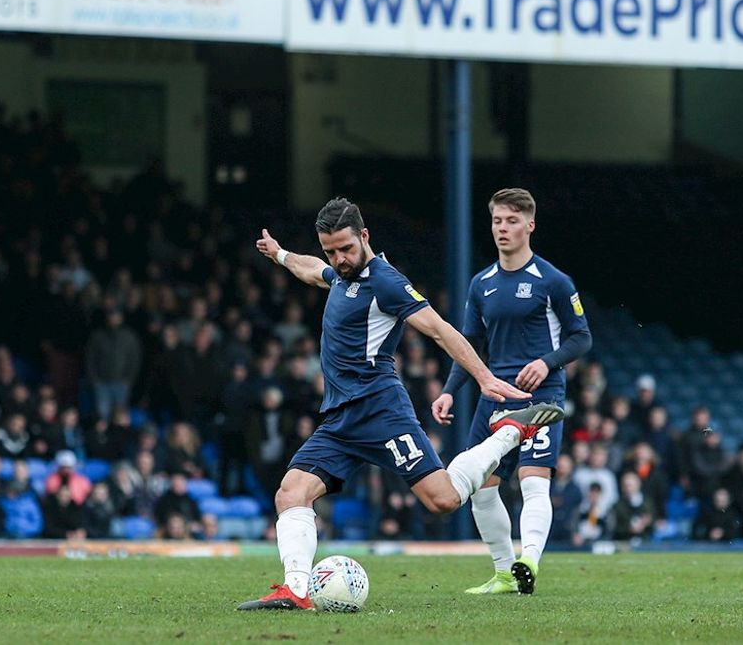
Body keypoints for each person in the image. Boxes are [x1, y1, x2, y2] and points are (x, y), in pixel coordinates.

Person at [239, 198, 560, 611]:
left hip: (380, 411)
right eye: (330, 251)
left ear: (364, 237)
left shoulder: (386, 282)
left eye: (346, 249)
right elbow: (309, 269)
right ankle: (296, 590)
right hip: (339, 418)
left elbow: (440, 330)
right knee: (291, 492)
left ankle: (510, 432)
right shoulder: (340, 275)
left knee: (442, 500)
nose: (338, 259)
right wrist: (281, 254)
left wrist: (484, 378)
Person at [431, 188, 592, 596]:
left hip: (541, 398)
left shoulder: (553, 281)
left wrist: (546, 362)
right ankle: (505, 573)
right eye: (497, 221)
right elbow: (468, 345)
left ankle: (529, 561)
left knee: (533, 481)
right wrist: (450, 390)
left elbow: (581, 339)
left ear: (529, 225)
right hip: (494, 397)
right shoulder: (481, 283)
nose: (503, 228)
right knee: (481, 490)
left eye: (512, 221)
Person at [83, 307, 142, 421]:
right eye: (111, 316)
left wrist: (129, 379)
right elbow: (90, 358)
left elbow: (135, 359)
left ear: (121, 318)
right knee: (102, 415)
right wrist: (94, 379)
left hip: (121, 383)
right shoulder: (98, 336)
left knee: (119, 417)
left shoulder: (129, 337)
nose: (114, 319)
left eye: (116, 316)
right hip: (102, 383)